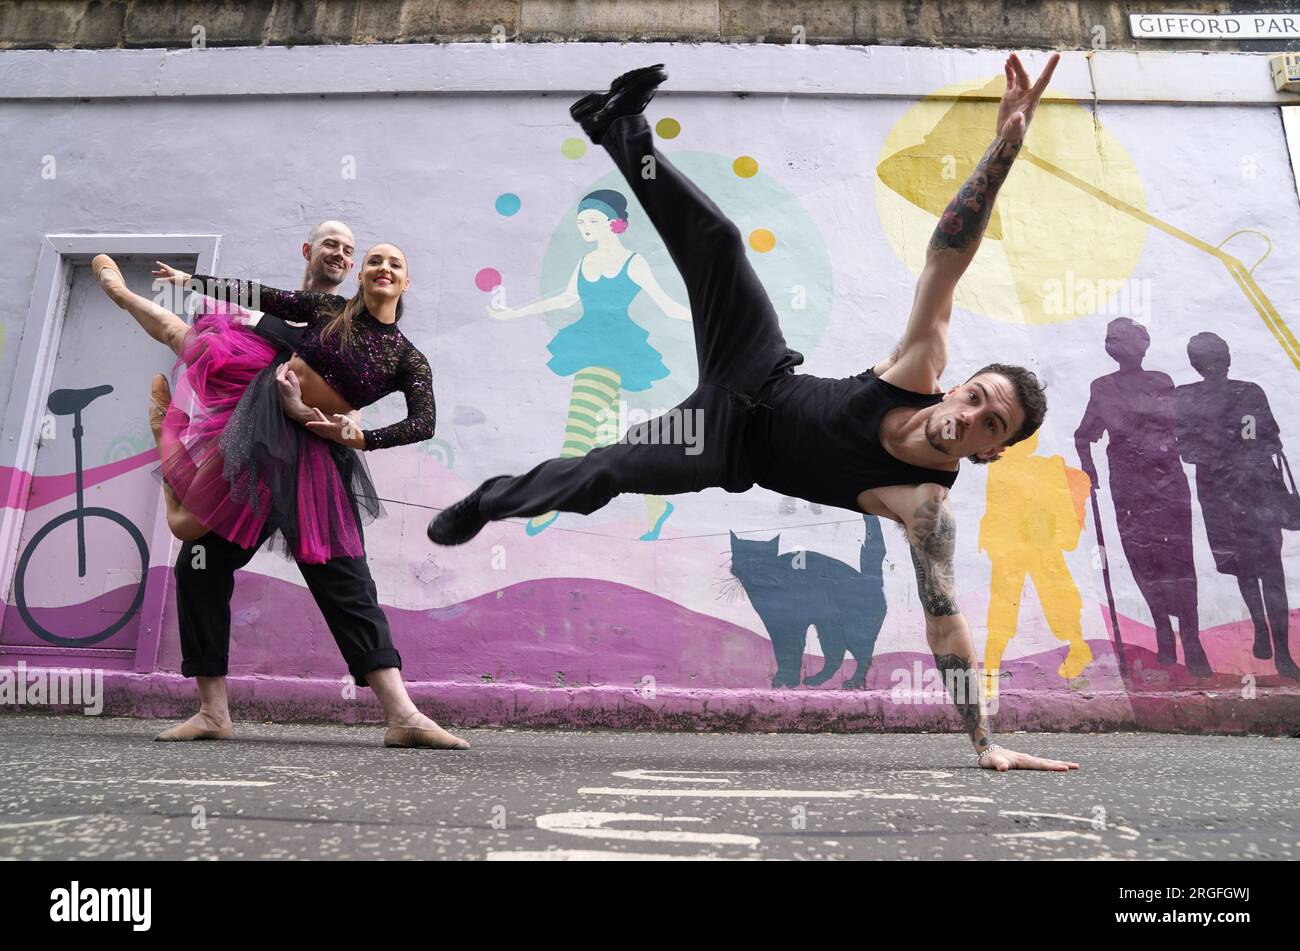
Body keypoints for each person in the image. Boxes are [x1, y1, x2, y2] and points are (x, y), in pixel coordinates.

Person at [430, 58, 1078, 771]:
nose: (972, 415)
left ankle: (489, 499)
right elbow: (947, 257)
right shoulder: (921, 365)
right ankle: (619, 128)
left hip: (722, 443)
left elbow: (945, 617)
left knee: (606, 470)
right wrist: (1004, 147)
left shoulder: (926, 506)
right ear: (960, 385)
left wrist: (985, 741)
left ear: (991, 451)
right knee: (720, 243)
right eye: (977, 395)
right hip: (756, 361)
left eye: (993, 425)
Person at [92, 227, 469, 749]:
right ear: (361, 276)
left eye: (395, 264)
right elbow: (260, 295)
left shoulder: (409, 359)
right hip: (260, 430)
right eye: (375, 260)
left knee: (344, 576)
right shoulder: (325, 311)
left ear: (405, 282)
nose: (384, 267)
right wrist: (191, 280)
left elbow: (423, 422)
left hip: (314, 454)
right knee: (200, 558)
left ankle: (402, 715)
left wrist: (361, 438)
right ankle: (212, 711)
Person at [487, 188, 690, 539]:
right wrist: (514, 312)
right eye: (582, 222)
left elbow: (666, 303)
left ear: (614, 224)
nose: (585, 227)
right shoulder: (584, 262)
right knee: (612, 442)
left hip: (613, 350)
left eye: (593, 221)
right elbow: (564, 297)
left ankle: (549, 502)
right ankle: (657, 504)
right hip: (587, 344)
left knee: (577, 430)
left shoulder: (633, 262)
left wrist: (712, 318)